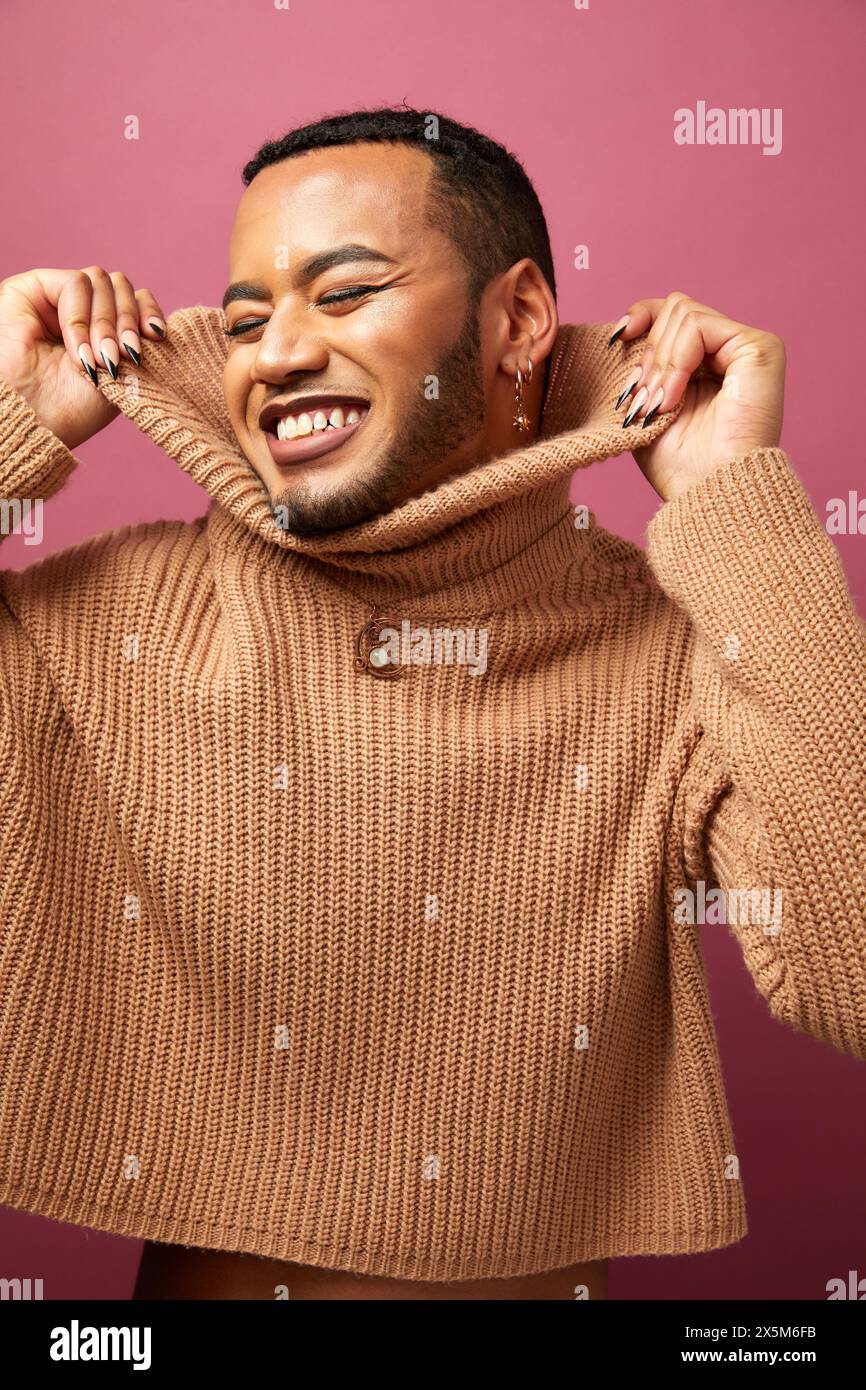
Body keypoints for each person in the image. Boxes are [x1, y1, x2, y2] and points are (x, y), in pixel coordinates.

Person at [0, 107, 863, 1302]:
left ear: (514, 321)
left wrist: (734, 506)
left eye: (344, 293)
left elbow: (853, 968)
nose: (273, 353)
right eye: (245, 318)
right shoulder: (99, 628)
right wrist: (10, 428)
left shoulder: (671, 648)